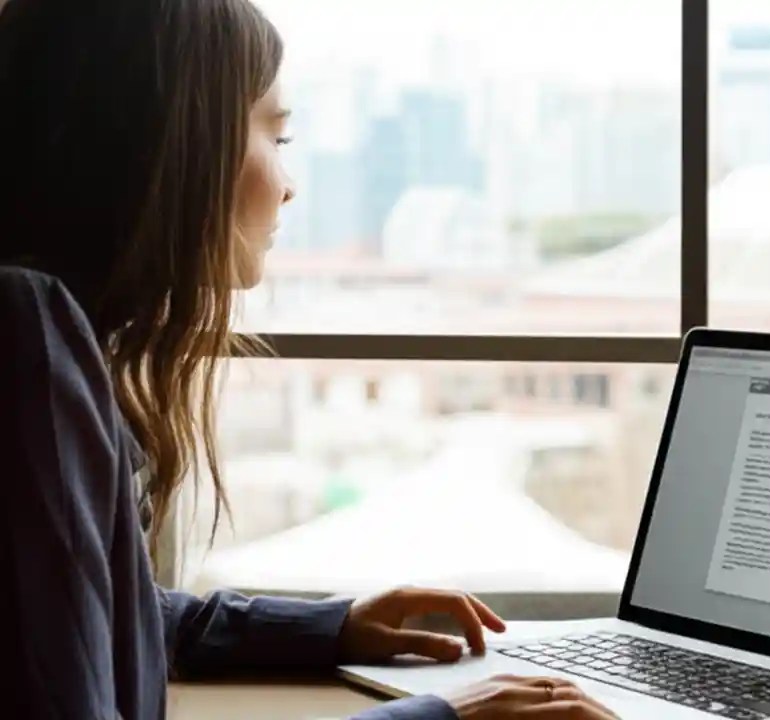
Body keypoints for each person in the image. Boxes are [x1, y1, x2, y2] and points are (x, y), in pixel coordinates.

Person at [0, 1, 618, 718]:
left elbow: (102, 616)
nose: (289, 184)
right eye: (277, 134)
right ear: (167, 142)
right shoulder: (27, 337)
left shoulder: (42, 326)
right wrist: (443, 716)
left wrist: (332, 626)